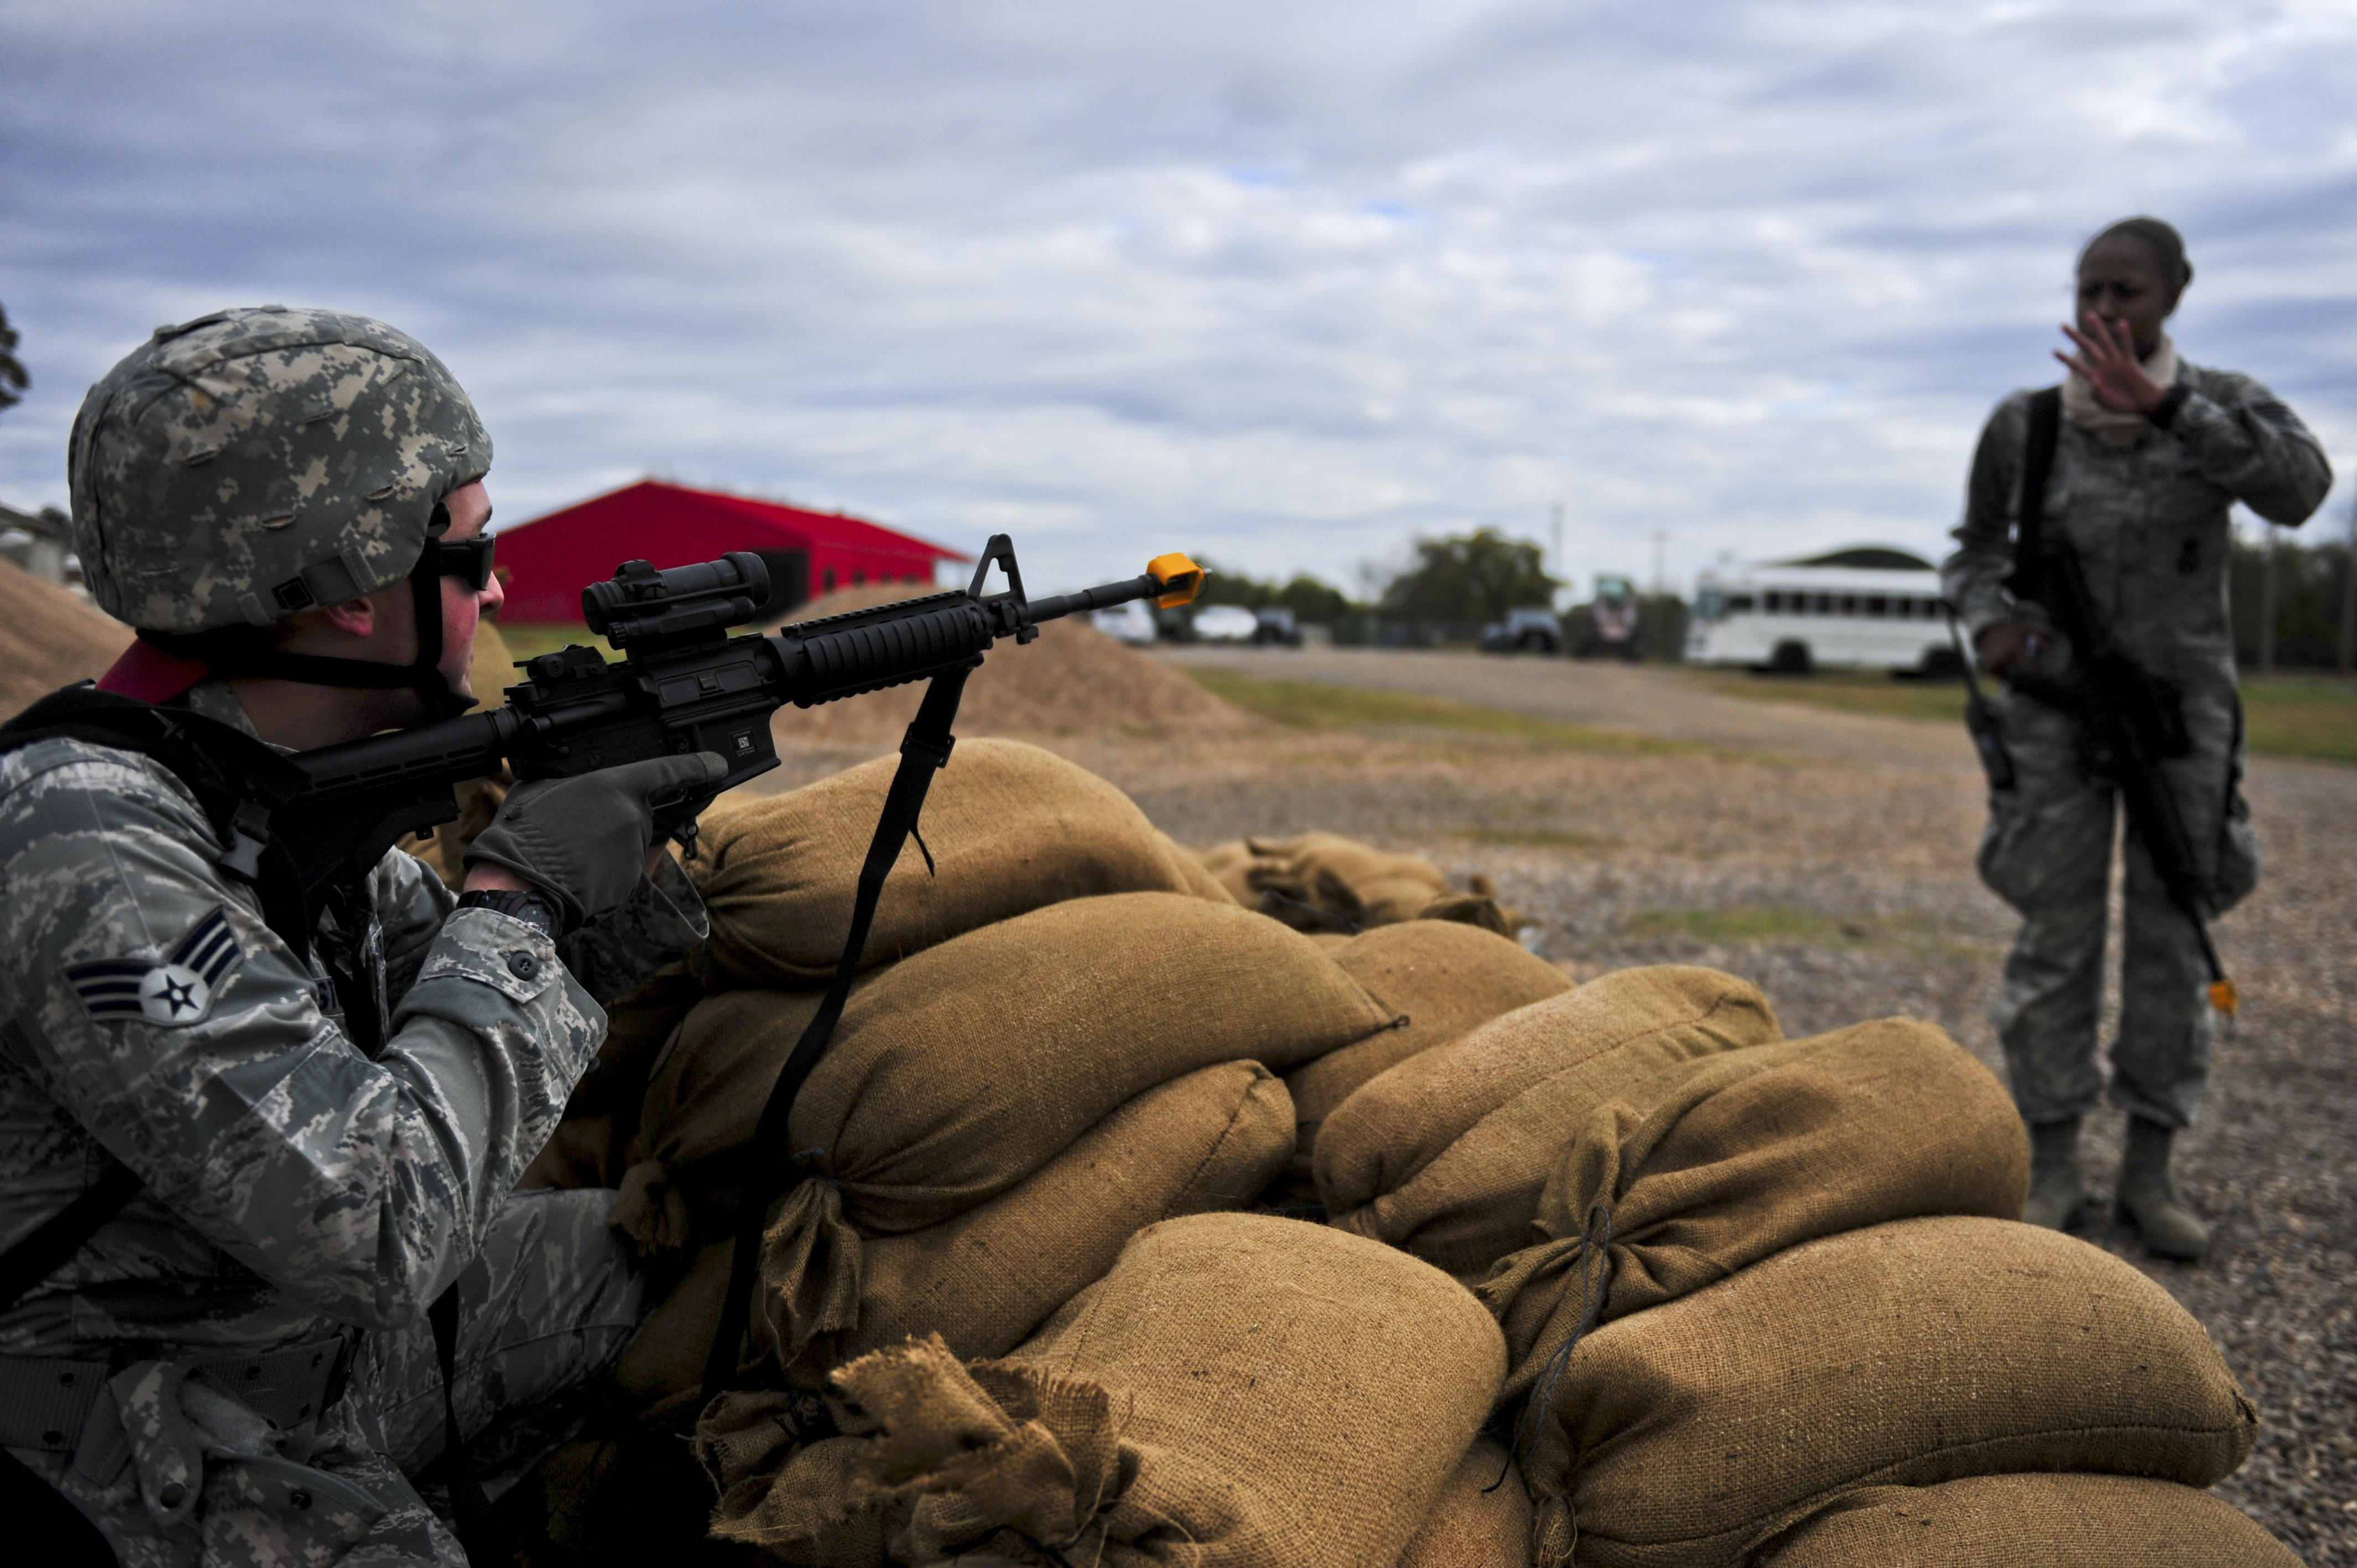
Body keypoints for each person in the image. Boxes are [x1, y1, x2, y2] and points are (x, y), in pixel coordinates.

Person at [0, 306, 724, 1564]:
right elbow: (382, 1219)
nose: (496, 588)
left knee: (673, 1261)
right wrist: (518, 897)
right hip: (119, 1430)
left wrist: (620, 857)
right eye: (472, 549)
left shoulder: (250, 790)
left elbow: (438, 1013)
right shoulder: (87, 844)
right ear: (353, 587)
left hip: (273, 1343)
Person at [1943, 218, 2332, 1260]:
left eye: (2125, 292)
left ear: (2173, 297)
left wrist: (2168, 411)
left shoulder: (2223, 407)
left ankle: (2153, 1173)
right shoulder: (2026, 426)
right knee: (2056, 935)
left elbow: (2302, 491)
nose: (2104, 312)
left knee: (2174, 943)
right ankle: (2056, 1161)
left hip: (2179, 721)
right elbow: (1974, 550)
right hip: (2056, 716)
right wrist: (1993, 623)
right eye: (2088, 292)